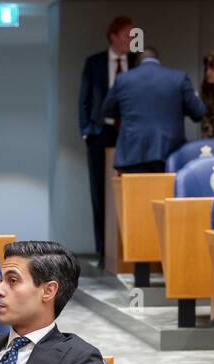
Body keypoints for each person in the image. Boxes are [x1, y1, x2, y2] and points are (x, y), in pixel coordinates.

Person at [78, 16, 140, 260]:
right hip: (100, 134)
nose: (130, 40)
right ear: (113, 36)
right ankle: (103, 249)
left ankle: (127, 249)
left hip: (130, 135)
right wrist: (86, 130)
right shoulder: (94, 63)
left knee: (129, 191)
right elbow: (83, 100)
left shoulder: (136, 63)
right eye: (127, 35)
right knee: (100, 193)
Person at [101, 46, 205, 173]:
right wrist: (177, 108)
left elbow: (106, 110)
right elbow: (199, 112)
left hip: (131, 154)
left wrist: (126, 112)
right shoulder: (179, 78)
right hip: (169, 153)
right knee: (166, 193)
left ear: (137, 63)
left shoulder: (122, 79)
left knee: (134, 193)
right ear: (157, 60)